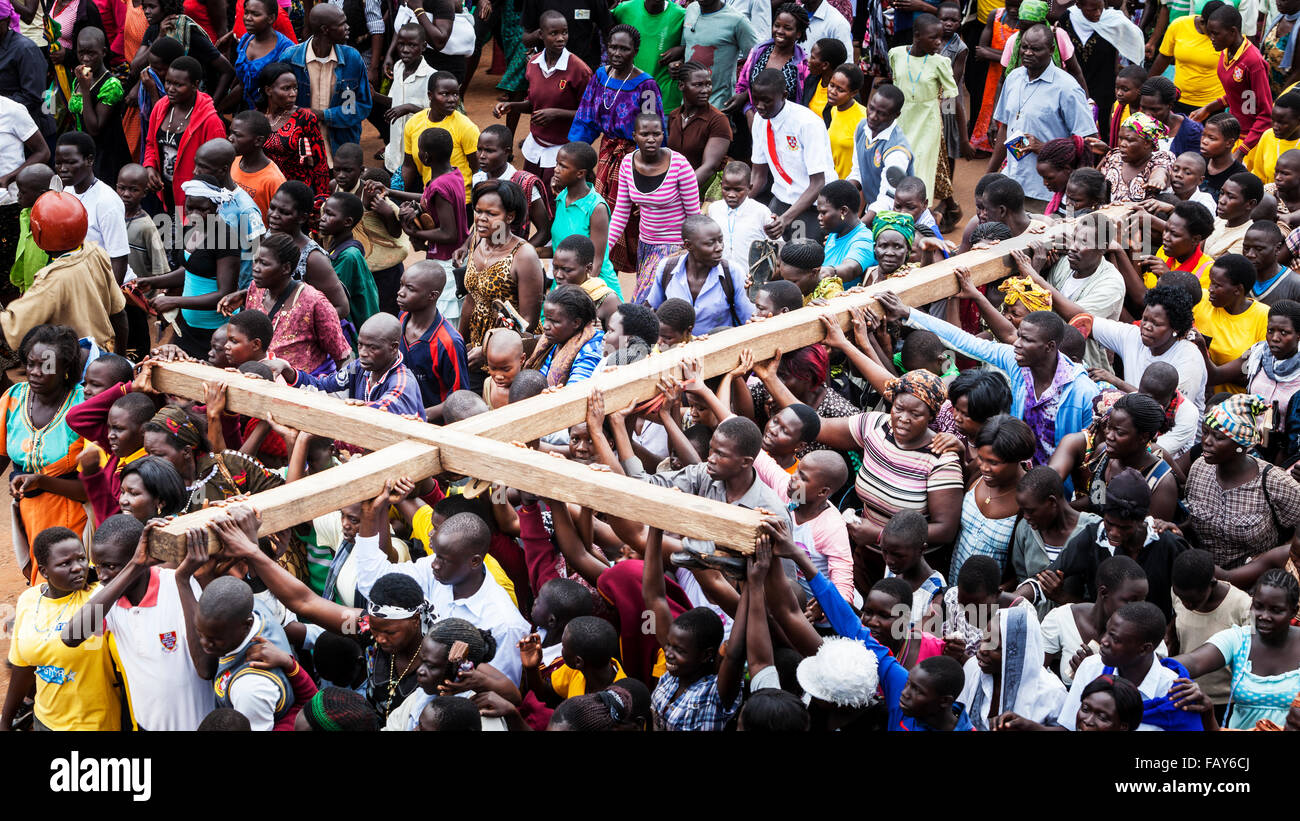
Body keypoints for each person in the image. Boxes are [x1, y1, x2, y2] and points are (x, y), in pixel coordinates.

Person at [879, 290, 1096, 465]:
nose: (1017, 344)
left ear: (1049, 347)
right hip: (1015, 470)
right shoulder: (1017, 363)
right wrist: (908, 314)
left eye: (1027, 340)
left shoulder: (1082, 391)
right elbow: (965, 341)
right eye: (1019, 336)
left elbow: (1090, 450)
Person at [353, 489, 530, 688]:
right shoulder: (437, 571)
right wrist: (369, 515)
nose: (434, 564)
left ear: (474, 561)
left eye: (443, 559)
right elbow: (374, 584)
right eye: (436, 555)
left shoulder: (503, 625)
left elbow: (502, 692)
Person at [61, 516, 212, 729]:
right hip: (146, 724)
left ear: (142, 556)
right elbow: (71, 637)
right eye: (98, 566)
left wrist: (137, 566)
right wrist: (132, 567)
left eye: (110, 566)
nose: (101, 576)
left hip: (197, 723)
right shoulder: (108, 597)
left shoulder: (178, 585)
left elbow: (206, 669)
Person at [1016, 467, 1189, 620]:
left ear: (1141, 521)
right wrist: (1009, 602)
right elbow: (1045, 578)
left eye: (1124, 528)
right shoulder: (1093, 536)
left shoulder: (1167, 543)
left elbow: (1196, 587)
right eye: (1109, 524)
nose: (1113, 533)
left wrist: (1174, 625)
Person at [1, 528, 120, 730]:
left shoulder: (99, 599)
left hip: (95, 724)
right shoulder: (29, 600)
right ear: (44, 571)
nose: (77, 568)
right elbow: (23, 666)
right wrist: (5, 721)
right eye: (65, 563)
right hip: (45, 720)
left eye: (81, 559)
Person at [567, 24, 663, 272]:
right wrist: (574, 158)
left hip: (635, 158)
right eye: (613, 47)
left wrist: (649, 166)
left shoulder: (646, 85)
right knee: (604, 215)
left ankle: (643, 274)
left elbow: (654, 128)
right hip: (607, 155)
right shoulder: (600, 77)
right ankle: (608, 275)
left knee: (632, 219)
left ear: (635, 51)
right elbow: (585, 119)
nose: (617, 53)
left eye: (624, 48)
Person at [0, 326, 89, 584]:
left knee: (67, 583)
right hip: (28, 514)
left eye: (46, 366)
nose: (36, 373)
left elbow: (92, 487)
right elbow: (3, 454)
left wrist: (42, 481)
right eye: (31, 364)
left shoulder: (82, 406)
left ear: (66, 370)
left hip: (72, 514)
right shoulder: (14, 398)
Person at [641, 526, 745, 730]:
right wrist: (655, 528)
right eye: (669, 646)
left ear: (706, 655)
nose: (668, 653)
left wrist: (752, 580)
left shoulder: (715, 694)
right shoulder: (674, 673)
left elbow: (734, 653)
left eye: (678, 650)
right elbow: (653, 597)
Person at [0, 192, 127, 354]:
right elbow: (119, 314)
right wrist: (120, 359)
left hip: (74, 365)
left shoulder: (52, 279)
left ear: (38, 231)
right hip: (103, 356)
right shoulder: (95, 252)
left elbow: (12, 328)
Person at [987, 23, 1098, 206]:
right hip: (1011, 183)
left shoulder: (1066, 88)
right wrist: (990, 175)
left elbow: (1089, 142)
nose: (1028, 53)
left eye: (1036, 49)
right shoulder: (1014, 78)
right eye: (1025, 47)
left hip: (1045, 192)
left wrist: (1044, 148)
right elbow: (1005, 128)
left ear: (1051, 50)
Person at [1173, 570, 1300, 729]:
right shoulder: (1239, 639)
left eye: (1276, 610)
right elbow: (1194, 662)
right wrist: (1152, 666)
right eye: (1258, 607)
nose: (1264, 616)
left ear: (1293, 612)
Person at [1185, 394, 1300, 568]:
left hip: (1257, 583)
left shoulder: (1274, 482)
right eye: (1206, 432)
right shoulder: (1199, 468)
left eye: (1218, 437)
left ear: (1241, 444)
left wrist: (1276, 557)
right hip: (1205, 576)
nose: (1206, 442)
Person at [1058, 601, 1201, 731]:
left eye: (1115, 638)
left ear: (1144, 648)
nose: (1104, 641)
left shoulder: (1176, 694)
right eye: (1107, 632)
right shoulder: (1091, 667)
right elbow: (1070, 726)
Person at [608, 111, 700, 303]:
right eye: (645, 134)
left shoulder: (679, 165)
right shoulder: (627, 163)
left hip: (675, 246)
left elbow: (694, 217)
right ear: (634, 136)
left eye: (656, 134)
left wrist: (691, 251)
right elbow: (621, 212)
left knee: (643, 302)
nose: (651, 139)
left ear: (663, 134)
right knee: (658, 303)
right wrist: (603, 248)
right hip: (646, 244)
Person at [460, 179, 545, 380]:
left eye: (491, 214)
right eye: (478, 211)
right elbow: (471, 299)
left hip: (509, 355)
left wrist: (488, 349)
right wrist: (459, 342)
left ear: (510, 216)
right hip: (475, 347)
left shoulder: (523, 255)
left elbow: (527, 323)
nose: (481, 218)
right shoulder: (477, 241)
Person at [270, 313, 426, 420]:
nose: (363, 353)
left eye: (373, 348)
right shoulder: (358, 367)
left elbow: (383, 409)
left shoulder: (402, 381)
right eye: (360, 345)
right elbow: (324, 385)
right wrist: (288, 370)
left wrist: (352, 407)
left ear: (393, 347)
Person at [239, 231, 349, 375]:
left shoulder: (313, 301)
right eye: (255, 261)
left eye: (264, 263)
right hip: (256, 378)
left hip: (300, 387)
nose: (256, 268)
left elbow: (342, 356)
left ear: (285, 268)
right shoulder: (255, 289)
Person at [1089, 284, 1209, 411]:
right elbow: (1086, 321)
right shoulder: (1133, 336)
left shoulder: (1189, 358)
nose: (1146, 326)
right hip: (1136, 419)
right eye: (1144, 319)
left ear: (1175, 328)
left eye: (1156, 324)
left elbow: (1167, 411)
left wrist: (1116, 382)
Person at [749, 68, 835, 243]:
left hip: (811, 206)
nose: (759, 106)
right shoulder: (760, 120)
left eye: (766, 101)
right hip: (781, 200)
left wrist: (786, 219)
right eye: (755, 99)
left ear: (784, 95)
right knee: (771, 259)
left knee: (798, 261)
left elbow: (818, 183)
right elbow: (758, 175)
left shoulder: (808, 124)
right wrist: (737, 201)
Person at [950, 415, 1035, 579]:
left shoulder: (1030, 500)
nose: (984, 467)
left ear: (1017, 459)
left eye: (994, 463)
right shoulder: (976, 471)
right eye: (981, 458)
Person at [280, 3, 372, 154]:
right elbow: (278, 105)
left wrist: (324, 115)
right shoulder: (290, 59)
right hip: (303, 148)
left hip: (341, 148)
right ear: (324, 29)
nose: (348, 27)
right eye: (342, 24)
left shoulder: (352, 59)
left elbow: (363, 105)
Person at [959, 604, 1067, 730]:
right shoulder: (973, 669)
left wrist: (1033, 728)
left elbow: (1068, 727)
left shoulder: (1051, 691)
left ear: (1019, 654)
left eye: (995, 647)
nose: (982, 650)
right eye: (984, 640)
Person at [1169, 548, 1254, 707]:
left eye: (1192, 600)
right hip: (1186, 693)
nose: (1186, 604)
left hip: (1227, 701)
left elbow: (1255, 655)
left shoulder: (1245, 606)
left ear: (1212, 584)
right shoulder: (1179, 594)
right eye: (1182, 598)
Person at [890, 14, 957, 211]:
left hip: (928, 121)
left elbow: (951, 95)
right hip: (902, 119)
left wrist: (952, 131)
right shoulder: (895, 54)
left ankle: (921, 216)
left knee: (921, 169)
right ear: (917, 36)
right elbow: (895, 82)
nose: (939, 42)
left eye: (941, 37)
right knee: (901, 164)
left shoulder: (940, 62)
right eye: (933, 38)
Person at [645, 215, 756, 335]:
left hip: (719, 348)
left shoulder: (732, 272)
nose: (719, 248)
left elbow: (749, 322)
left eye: (720, 240)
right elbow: (652, 310)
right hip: (677, 349)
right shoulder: (667, 268)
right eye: (710, 243)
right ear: (688, 245)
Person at [143, 55, 225, 214]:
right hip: (164, 197)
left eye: (178, 85)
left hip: (194, 206)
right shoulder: (161, 107)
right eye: (168, 82)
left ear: (195, 85)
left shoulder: (210, 122)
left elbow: (218, 168)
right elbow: (151, 144)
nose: (170, 89)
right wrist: (149, 166)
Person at [1190, 4, 1272, 158]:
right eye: (1210, 33)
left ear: (1233, 32)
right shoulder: (1226, 51)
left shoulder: (1253, 62)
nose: (1211, 38)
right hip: (1232, 133)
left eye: (1215, 34)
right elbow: (1241, 93)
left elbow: (1266, 114)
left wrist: (1242, 151)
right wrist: (1208, 108)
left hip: (1249, 141)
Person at [1060, 0, 1145, 144]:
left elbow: (1134, 48)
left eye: (1101, 8)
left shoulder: (1114, 22)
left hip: (1104, 89)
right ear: (1079, 5)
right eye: (1092, 10)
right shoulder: (1067, 19)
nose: (1098, 14)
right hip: (1074, 88)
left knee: (1102, 131)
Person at [548, 142, 621, 298]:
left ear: (580, 173)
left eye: (563, 166)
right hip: (563, 279)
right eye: (556, 163)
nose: (556, 169)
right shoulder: (561, 197)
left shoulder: (596, 208)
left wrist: (578, 297)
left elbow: (596, 262)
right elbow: (559, 243)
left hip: (592, 288)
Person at [54, 131, 129, 285]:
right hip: (82, 283)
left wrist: (109, 302)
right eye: (58, 163)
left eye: (70, 162)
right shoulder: (67, 191)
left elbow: (119, 258)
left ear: (89, 160)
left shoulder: (106, 201)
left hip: (105, 285)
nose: (63, 169)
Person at [397, 260, 467, 423]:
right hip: (400, 414)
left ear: (432, 295)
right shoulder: (401, 320)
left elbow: (459, 397)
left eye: (410, 288)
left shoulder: (449, 341)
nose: (401, 292)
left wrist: (421, 414)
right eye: (401, 285)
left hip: (431, 424)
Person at [258, 61, 331, 212]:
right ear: (268, 90)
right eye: (286, 89)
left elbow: (320, 162)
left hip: (296, 194)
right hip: (265, 191)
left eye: (295, 88)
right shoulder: (257, 118)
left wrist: (321, 198)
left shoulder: (305, 117)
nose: (293, 93)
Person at [1195, 254, 1271, 393]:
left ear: (1238, 289)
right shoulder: (1201, 299)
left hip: (1233, 405)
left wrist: (1200, 348)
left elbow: (1249, 376)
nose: (1210, 288)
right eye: (1211, 282)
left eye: (1217, 285)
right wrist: (1233, 372)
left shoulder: (1263, 317)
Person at [401, 71, 479, 202]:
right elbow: (409, 166)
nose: (452, 99)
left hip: (461, 200)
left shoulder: (466, 127)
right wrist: (399, 195)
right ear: (430, 95)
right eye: (445, 94)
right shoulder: (414, 123)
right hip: (430, 196)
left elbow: (478, 169)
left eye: (455, 94)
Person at [728, 3, 811, 116]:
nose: (780, 31)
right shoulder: (758, 52)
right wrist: (748, 113)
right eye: (777, 25)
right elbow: (742, 86)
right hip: (753, 120)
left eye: (787, 28)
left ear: (798, 33)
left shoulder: (803, 65)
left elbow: (803, 102)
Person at [675, 0, 758, 110]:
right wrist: (678, 64)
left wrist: (745, 94)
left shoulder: (737, 21)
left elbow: (759, 59)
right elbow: (687, 47)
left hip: (719, 107)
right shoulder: (691, 9)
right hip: (687, 106)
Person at [850, 84, 914, 225]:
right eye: (871, 108)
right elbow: (858, 171)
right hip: (873, 211)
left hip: (894, 221)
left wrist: (856, 229)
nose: (872, 116)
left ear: (896, 115)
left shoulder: (897, 151)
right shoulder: (862, 128)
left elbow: (888, 199)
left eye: (881, 113)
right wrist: (840, 193)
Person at [318, 191, 380, 335]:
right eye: (324, 213)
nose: (323, 218)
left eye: (330, 214)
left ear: (347, 222)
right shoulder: (339, 247)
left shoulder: (348, 256)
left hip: (356, 329)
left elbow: (333, 297)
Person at [1153, 0, 1227, 120]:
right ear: (1203, 22)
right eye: (1212, 31)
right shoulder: (1179, 25)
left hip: (1212, 105)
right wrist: (1147, 84)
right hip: (1178, 99)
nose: (1214, 36)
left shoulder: (1224, 35)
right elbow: (1164, 57)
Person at [666, 63, 731, 195]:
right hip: (676, 187)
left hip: (706, 191)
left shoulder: (718, 120)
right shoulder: (674, 116)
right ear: (681, 86)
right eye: (698, 85)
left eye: (708, 84)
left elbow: (709, 167)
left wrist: (675, 193)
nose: (705, 90)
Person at [524, 285, 604, 387]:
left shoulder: (590, 351)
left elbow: (574, 393)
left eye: (554, 321)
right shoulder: (553, 341)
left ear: (576, 323)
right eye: (546, 319)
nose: (545, 326)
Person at [707, 162, 770, 281]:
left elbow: (775, 246)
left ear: (749, 188)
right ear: (721, 185)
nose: (731, 194)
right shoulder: (714, 209)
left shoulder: (761, 212)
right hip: (719, 277)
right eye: (726, 189)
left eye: (738, 190)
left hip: (750, 280)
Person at [1095, 113, 1175, 204]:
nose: (1122, 144)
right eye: (1120, 138)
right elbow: (1095, 181)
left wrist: (1157, 179)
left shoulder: (1161, 157)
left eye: (1129, 140)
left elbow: (1161, 170)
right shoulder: (1114, 156)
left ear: (1147, 143)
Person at [228, 110, 286, 224]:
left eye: (238, 135)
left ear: (258, 140)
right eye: (231, 132)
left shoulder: (273, 179)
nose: (230, 138)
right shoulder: (232, 162)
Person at [234, 0, 292, 111]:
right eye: (246, 13)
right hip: (246, 110)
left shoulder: (285, 50)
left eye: (255, 14)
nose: (248, 18)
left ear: (271, 18)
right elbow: (241, 85)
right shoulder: (246, 39)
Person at [1206, 172, 1263, 258]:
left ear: (1250, 204)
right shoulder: (1218, 221)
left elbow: (1217, 267)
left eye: (1231, 197)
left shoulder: (1247, 237)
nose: (1221, 200)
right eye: (1221, 193)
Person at [1201, 112, 1248, 202]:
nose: (1204, 141)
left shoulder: (1239, 176)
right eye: (1203, 135)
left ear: (1229, 143)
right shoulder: (1198, 162)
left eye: (1211, 138)